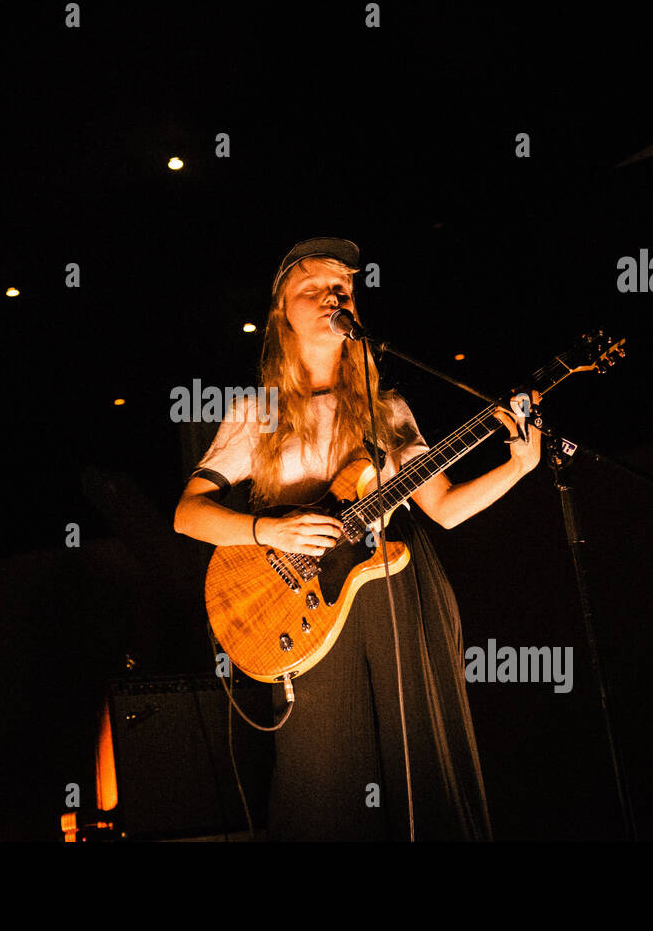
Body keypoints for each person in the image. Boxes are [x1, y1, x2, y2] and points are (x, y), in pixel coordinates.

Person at [173, 237, 541, 840]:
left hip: (397, 581)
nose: (331, 297)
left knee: (422, 753)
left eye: (342, 288)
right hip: (306, 601)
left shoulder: (386, 408)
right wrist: (268, 527)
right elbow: (188, 515)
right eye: (311, 287)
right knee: (321, 771)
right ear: (281, 312)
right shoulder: (254, 412)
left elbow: (443, 508)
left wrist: (517, 468)